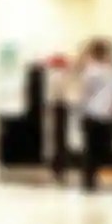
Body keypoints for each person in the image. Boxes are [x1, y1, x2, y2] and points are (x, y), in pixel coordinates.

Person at [78, 39, 112, 192]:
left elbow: (84, 93)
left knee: (90, 149)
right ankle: (92, 177)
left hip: (90, 113)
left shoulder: (89, 71)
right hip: (106, 114)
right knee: (101, 149)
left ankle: (89, 178)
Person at [45, 54, 78, 183]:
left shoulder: (53, 76)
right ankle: (60, 167)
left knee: (57, 138)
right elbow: (63, 93)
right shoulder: (59, 76)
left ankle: (58, 167)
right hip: (60, 107)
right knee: (60, 138)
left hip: (56, 107)